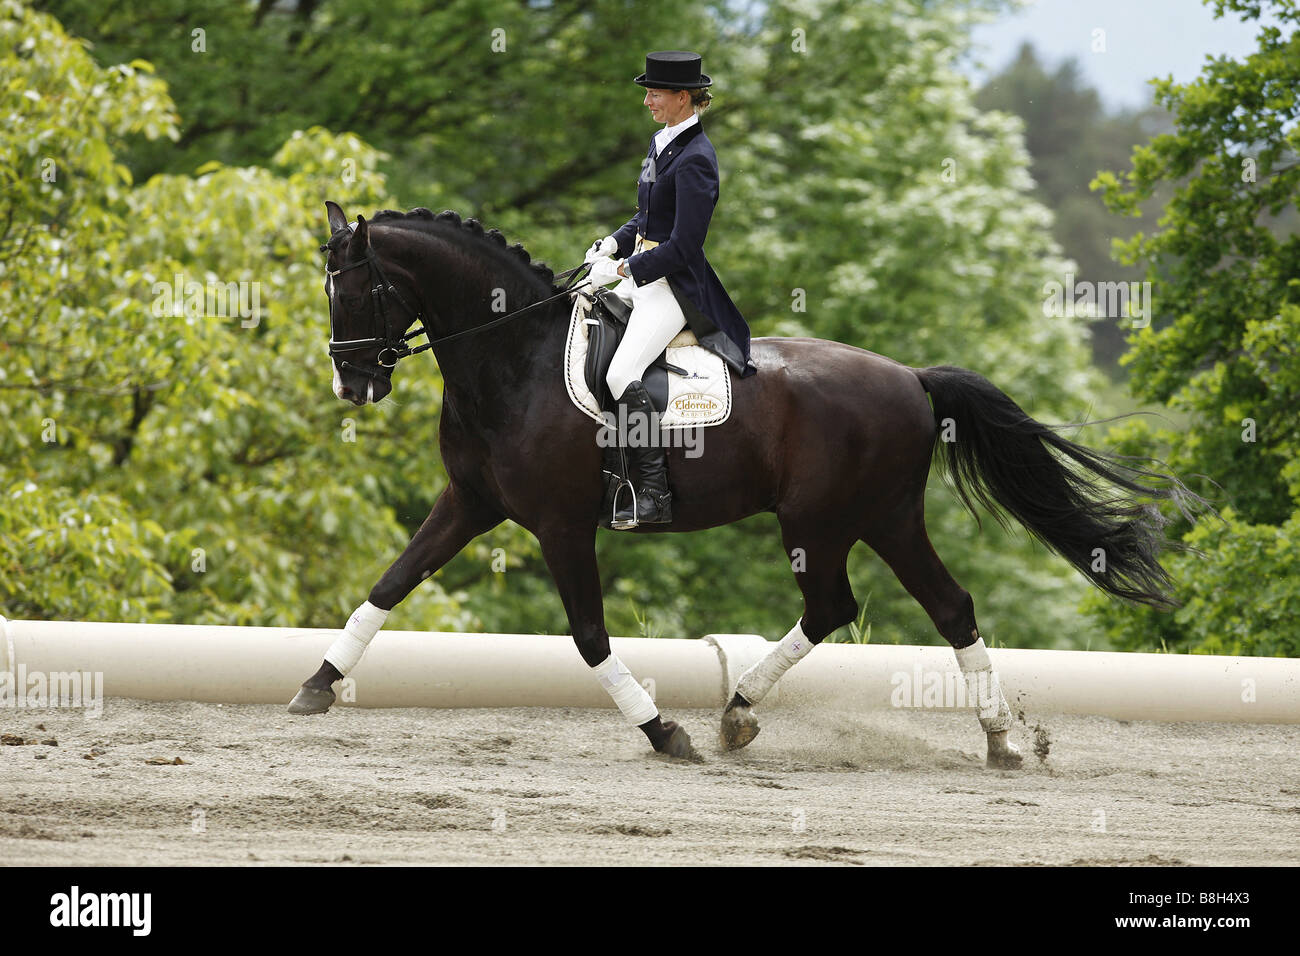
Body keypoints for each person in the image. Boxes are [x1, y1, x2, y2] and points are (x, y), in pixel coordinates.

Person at [584, 50, 756, 530]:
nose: (646, 102)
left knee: (621, 374)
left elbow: (683, 246)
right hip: (643, 272)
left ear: (684, 97)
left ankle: (653, 494)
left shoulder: (698, 159)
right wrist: (610, 243)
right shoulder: (664, 142)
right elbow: (647, 217)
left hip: (671, 287)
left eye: (654, 93)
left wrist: (622, 271)